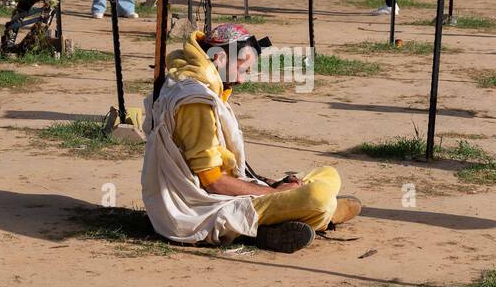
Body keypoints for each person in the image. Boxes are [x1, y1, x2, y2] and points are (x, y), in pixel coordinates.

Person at [141, 23, 361, 251]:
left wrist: (270, 183)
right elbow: (213, 182)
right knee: (318, 197)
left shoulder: (198, 88)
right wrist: (273, 193)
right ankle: (315, 215)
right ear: (219, 57)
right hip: (200, 206)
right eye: (243, 69)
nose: (242, 80)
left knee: (329, 174)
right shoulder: (196, 102)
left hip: (227, 188)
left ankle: (296, 216)